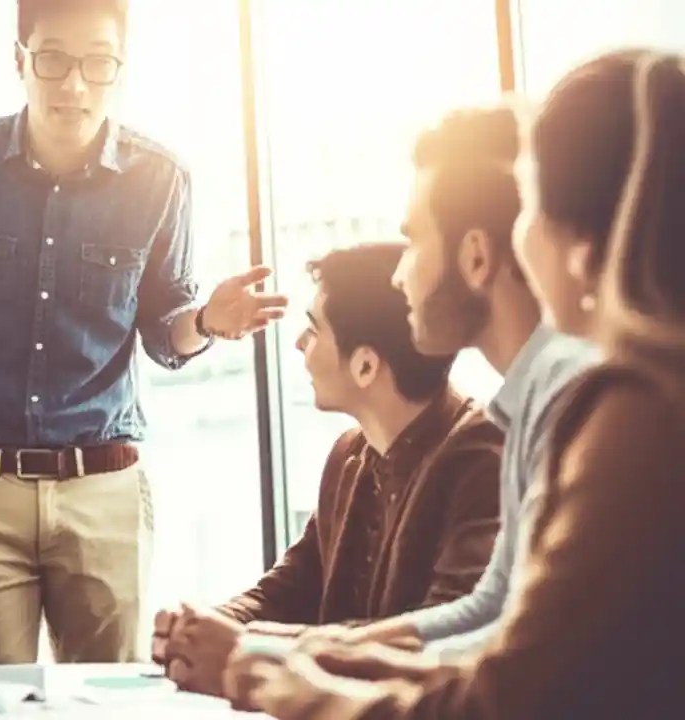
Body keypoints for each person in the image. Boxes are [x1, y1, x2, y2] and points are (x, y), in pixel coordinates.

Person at [0, 0, 287, 665]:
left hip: (104, 489)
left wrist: (207, 322)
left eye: (98, 62)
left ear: (121, 68)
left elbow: (163, 332)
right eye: (54, 59)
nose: (74, 83)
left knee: (102, 708)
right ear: (19, 60)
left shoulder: (161, 179)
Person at [226, 48, 685, 719]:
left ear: (580, 244)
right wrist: (333, 657)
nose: (518, 232)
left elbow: (515, 691)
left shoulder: (626, 407)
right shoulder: (618, 396)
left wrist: (318, 697)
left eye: (532, 210)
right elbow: (501, 619)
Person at [299, 105, 597, 657]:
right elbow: (487, 608)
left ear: (476, 257)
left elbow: (519, 654)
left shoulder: (571, 399)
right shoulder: (529, 398)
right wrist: (292, 656)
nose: (398, 273)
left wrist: (308, 677)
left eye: (413, 241)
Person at [152, 243, 502, 696]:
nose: (298, 343)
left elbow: (436, 640)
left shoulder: (480, 460)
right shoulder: (349, 454)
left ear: (366, 365)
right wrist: (203, 629)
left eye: (313, 330)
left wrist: (250, 647)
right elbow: (290, 588)